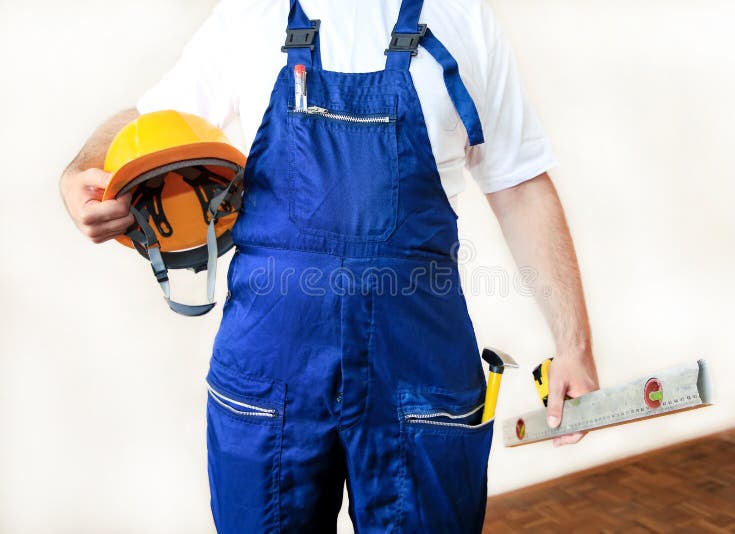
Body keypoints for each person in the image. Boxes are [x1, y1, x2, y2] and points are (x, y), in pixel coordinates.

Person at [59, 0, 599, 531]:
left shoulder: (462, 16)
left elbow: (521, 184)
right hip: (270, 373)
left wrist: (574, 345)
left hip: (420, 371)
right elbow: (148, 122)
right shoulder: (251, 14)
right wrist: (80, 171)